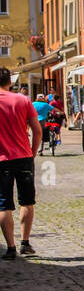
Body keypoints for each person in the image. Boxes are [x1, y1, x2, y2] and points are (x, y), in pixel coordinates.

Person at [0, 68, 41, 259]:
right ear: (10, 81)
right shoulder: (23, 100)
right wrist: (32, 153)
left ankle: (10, 248)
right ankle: (25, 243)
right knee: (27, 201)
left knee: (3, 204)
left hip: (1, 160)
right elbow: (37, 130)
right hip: (23, 157)